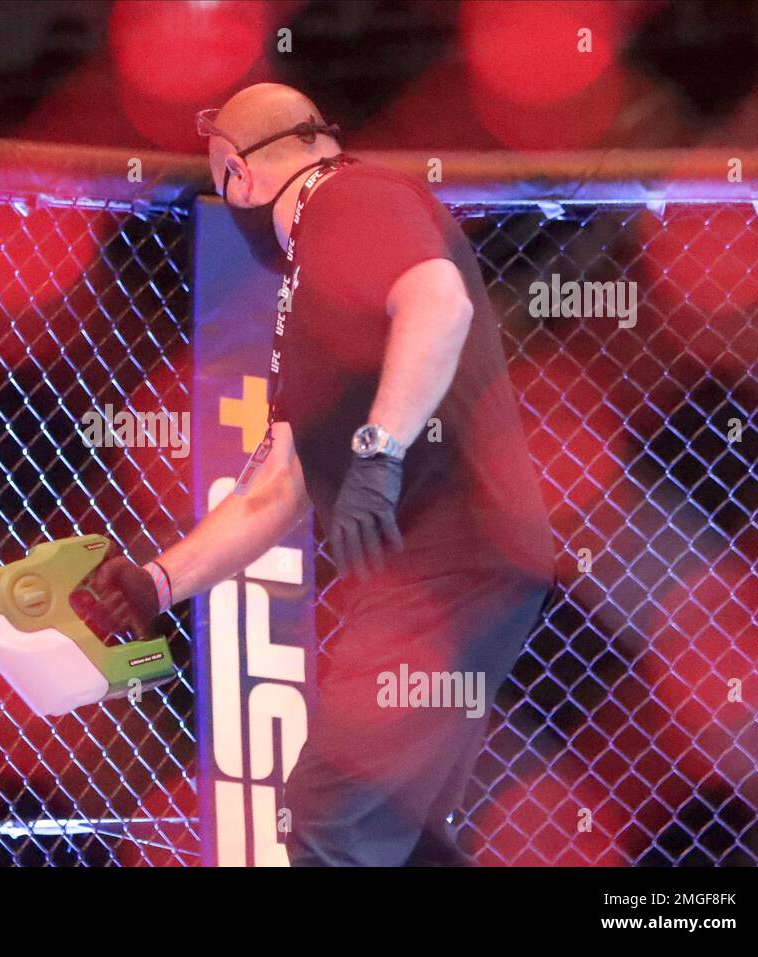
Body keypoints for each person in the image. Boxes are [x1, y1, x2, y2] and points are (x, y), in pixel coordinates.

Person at [90, 83, 554, 866]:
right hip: (455, 565)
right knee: (405, 834)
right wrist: (157, 584)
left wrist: (379, 450)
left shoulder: (343, 199)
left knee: (330, 813)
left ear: (236, 173)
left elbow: (439, 303)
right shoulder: (315, 279)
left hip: (449, 562)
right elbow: (277, 484)